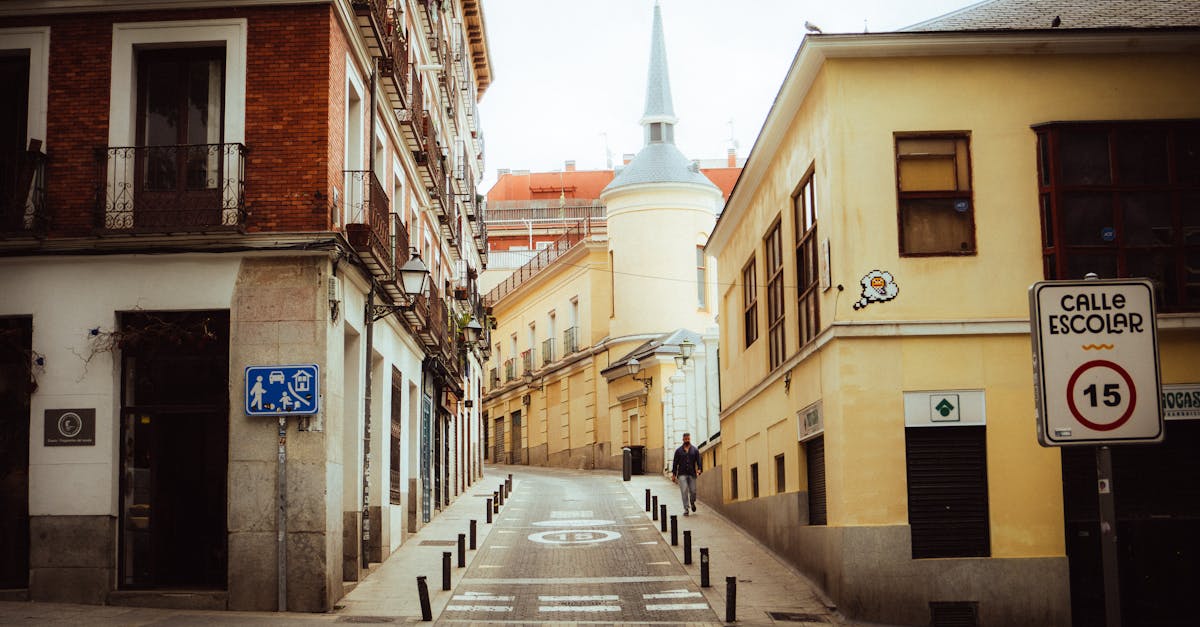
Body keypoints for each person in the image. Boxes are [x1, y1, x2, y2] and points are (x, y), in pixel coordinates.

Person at [670, 432, 702, 516]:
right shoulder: (678, 451)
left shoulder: (695, 450)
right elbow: (675, 463)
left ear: (690, 439)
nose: (687, 440)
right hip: (682, 474)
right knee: (684, 491)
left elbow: (698, 461)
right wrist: (673, 474)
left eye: (688, 439)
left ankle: (692, 502)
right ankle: (686, 508)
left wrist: (699, 469)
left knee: (693, 491)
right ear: (683, 439)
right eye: (685, 439)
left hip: (692, 474)